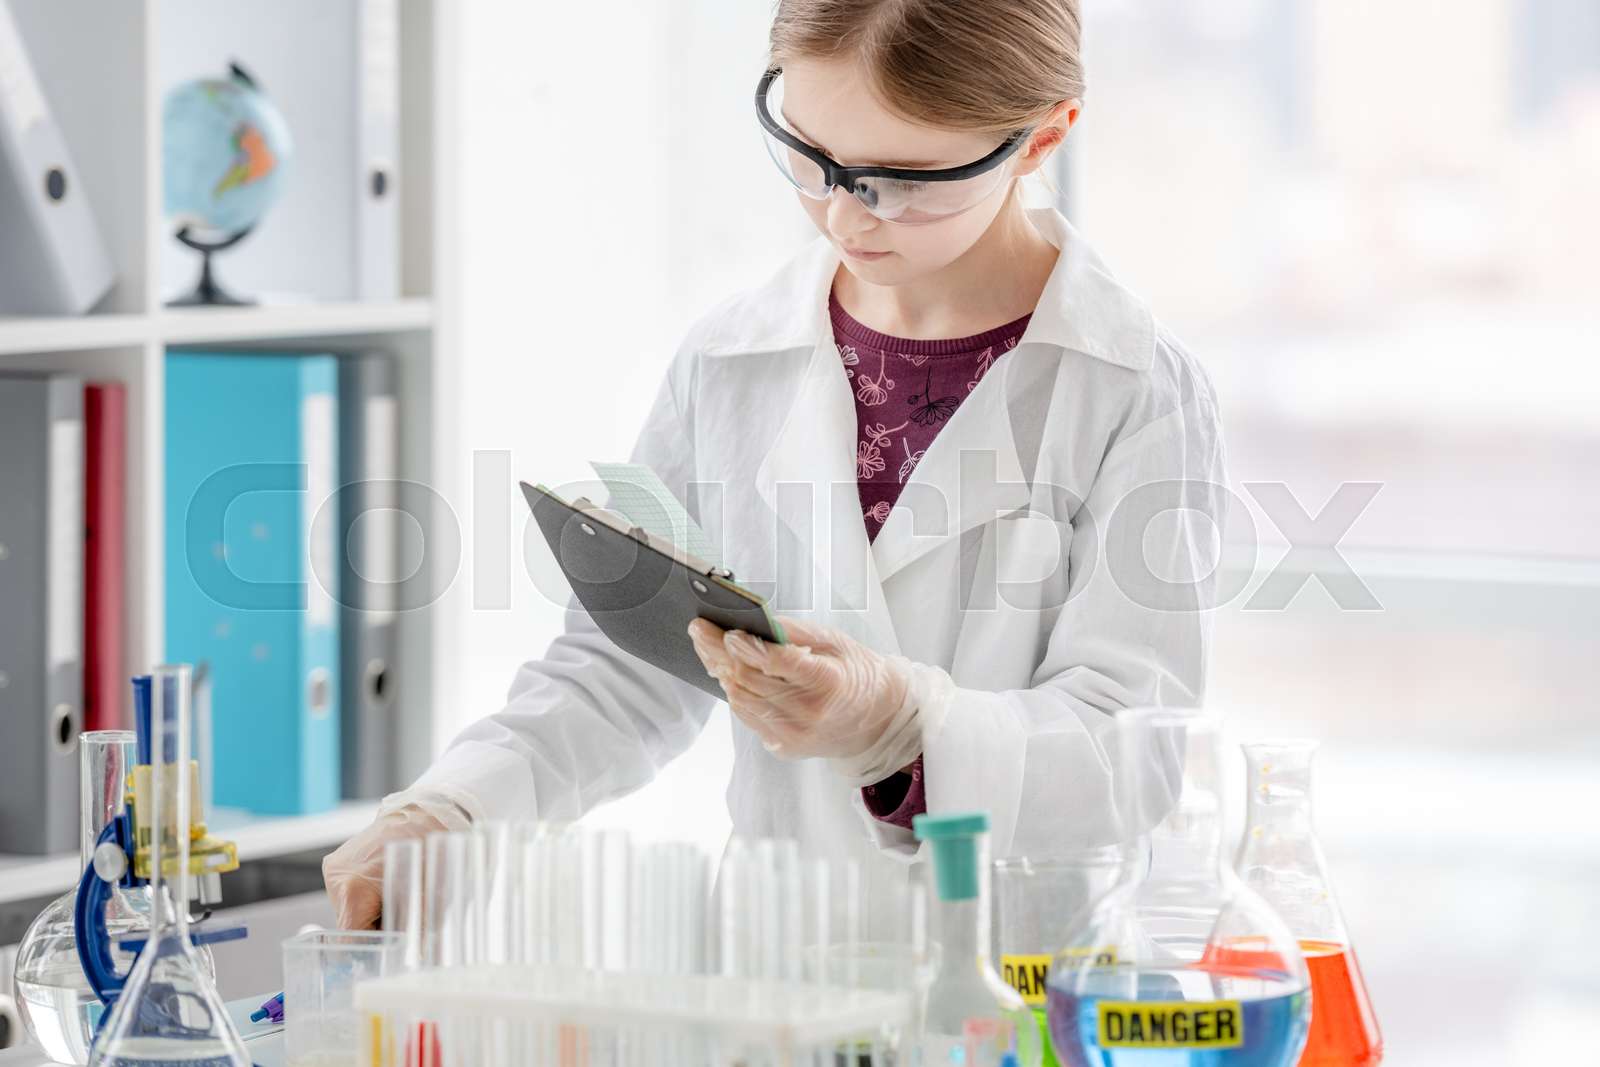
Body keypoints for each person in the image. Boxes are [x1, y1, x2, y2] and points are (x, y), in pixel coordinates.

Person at [323, 0, 1225, 931]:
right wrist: (455, 811)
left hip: (1019, 974)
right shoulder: (731, 359)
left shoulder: (1133, 389)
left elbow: (1133, 751)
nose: (842, 213)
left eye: (903, 178)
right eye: (811, 154)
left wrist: (905, 729)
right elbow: (632, 665)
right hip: (783, 973)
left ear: (1042, 137)